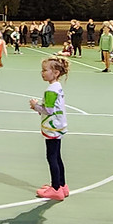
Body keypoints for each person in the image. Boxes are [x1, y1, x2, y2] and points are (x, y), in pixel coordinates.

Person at [30, 56, 70, 201]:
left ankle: (56, 189)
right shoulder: (57, 87)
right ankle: (62, 185)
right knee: (57, 156)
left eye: (45, 70)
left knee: (52, 157)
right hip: (59, 126)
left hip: (52, 127)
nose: (42, 73)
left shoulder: (51, 90)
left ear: (56, 72)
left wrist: (35, 106)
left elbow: (49, 109)